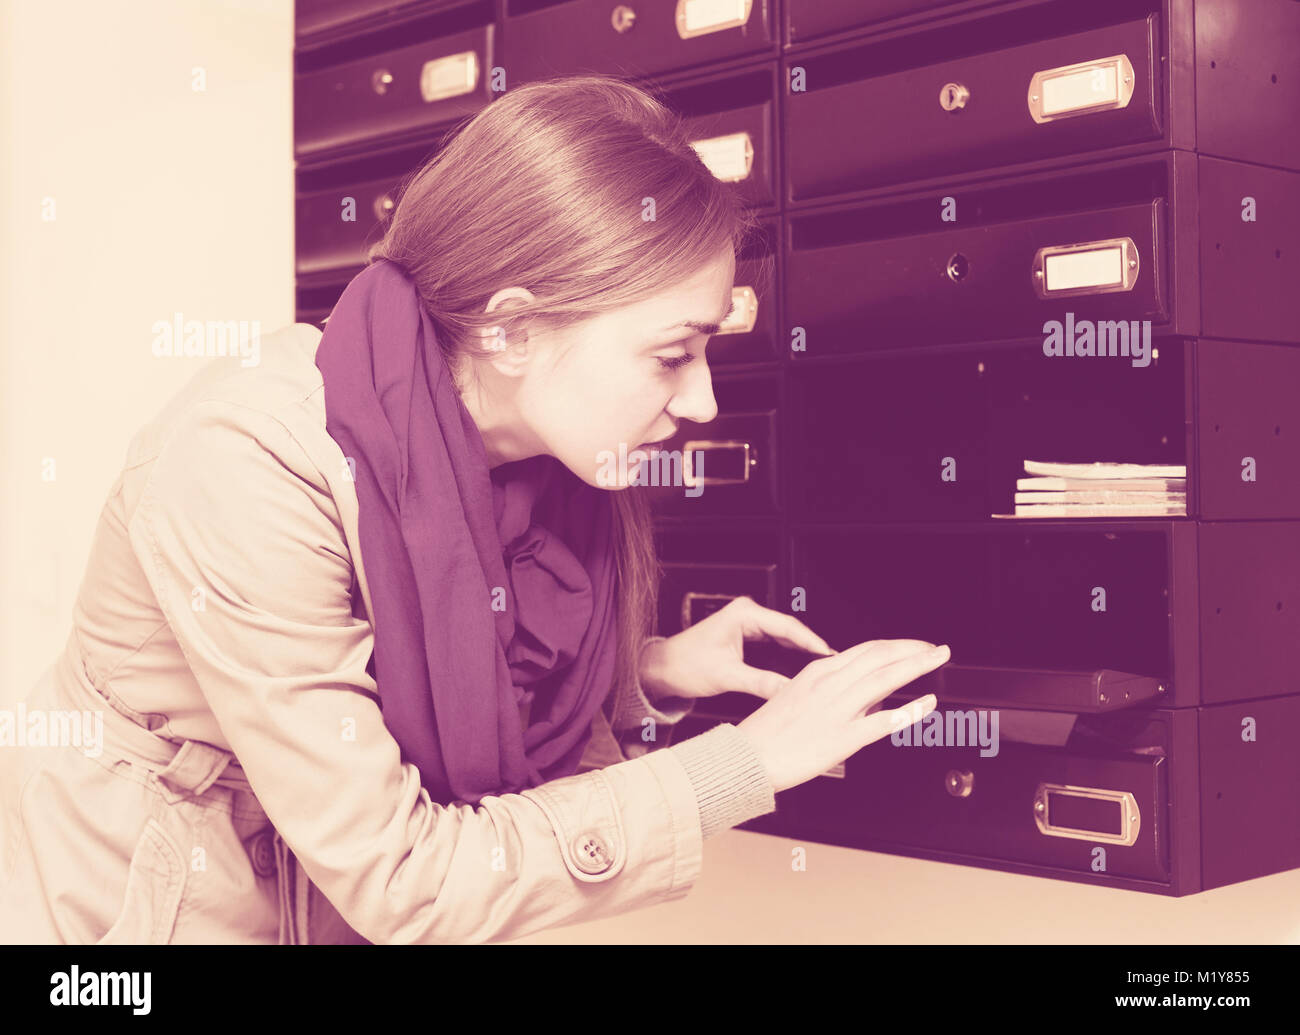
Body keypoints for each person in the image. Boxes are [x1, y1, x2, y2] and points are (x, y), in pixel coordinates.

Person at [0, 74, 946, 945]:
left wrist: (647, 674)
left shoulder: (532, 458)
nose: (701, 401)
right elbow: (404, 875)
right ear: (510, 327)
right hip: (149, 912)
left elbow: (452, 687)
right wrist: (748, 764)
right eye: (671, 354)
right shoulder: (243, 463)